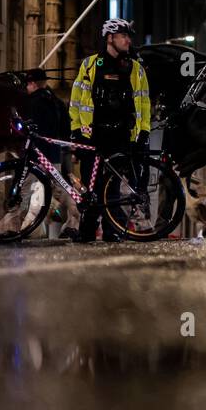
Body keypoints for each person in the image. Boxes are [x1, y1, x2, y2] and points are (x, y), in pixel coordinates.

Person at [68, 18, 152, 242]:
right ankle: (86, 231)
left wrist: (143, 132)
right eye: (123, 35)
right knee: (90, 186)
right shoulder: (90, 65)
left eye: (128, 36)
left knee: (112, 187)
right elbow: (76, 100)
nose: (128, 40)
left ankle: (111, 230)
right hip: (93, 135)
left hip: (121, 136)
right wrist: (76, 129)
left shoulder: (135, 69)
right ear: (109, 38)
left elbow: (144, 103)